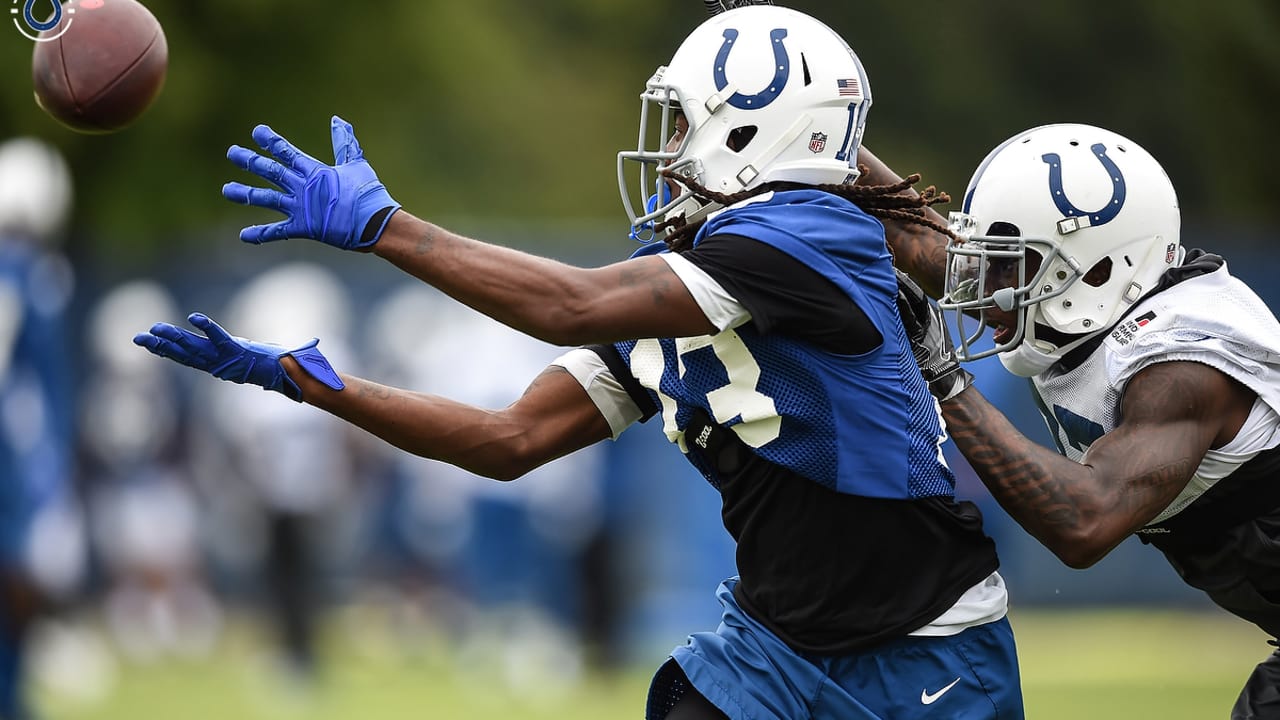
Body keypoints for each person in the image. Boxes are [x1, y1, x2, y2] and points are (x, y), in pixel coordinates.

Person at [136, 6, 1024, 719]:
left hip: (922, 643)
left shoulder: (807, 234)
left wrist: (386, 229)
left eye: (685, 121)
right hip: (776, 646)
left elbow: (570, 308)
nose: (671, 148)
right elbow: (508, 439)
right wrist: (311, 386)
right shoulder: (707, 282)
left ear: (755, 132)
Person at [869, 122, 1280, 719]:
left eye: (1014, 265)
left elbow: (1086, 523)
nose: (985, 286)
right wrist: (804, 126)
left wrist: (943, 374)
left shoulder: (1182, 365)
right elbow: (909, 227)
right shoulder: (1093, 302)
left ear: (1098, 268)